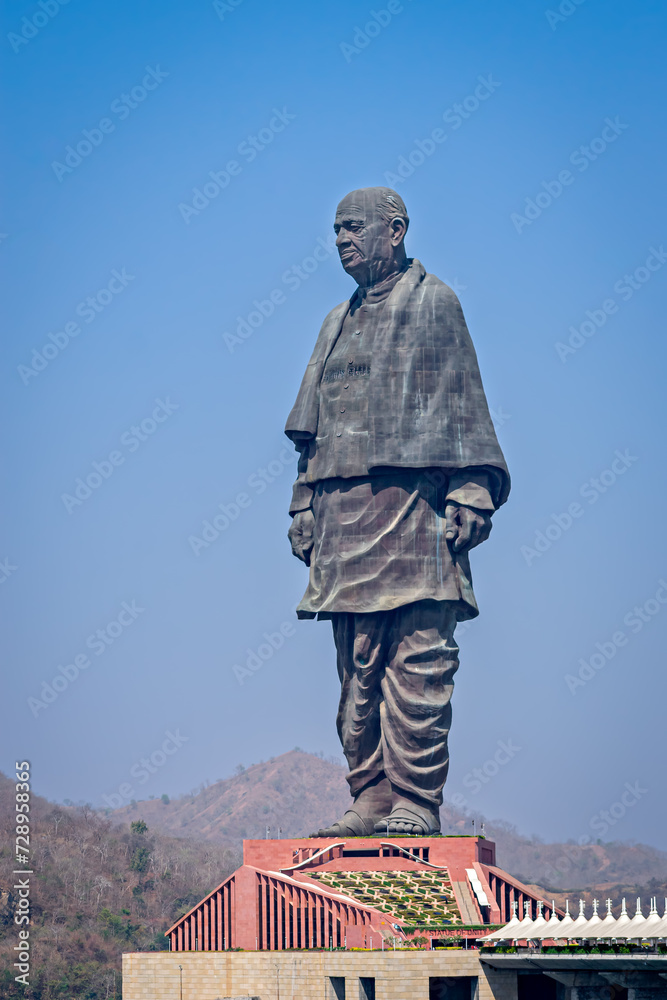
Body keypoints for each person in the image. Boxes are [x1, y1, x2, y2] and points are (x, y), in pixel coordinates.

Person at [285, 187, 509, 836]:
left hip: (413, 510)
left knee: (417, 663)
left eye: (352, 227)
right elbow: (311, 429)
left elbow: (463, 400)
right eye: (334, 230)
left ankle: (414, 802)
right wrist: (303, 504)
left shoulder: (432, 302)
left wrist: (470, 488)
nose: (340, 240)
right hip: (342, 513)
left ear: (396, 231)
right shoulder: (336, 320)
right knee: (356, 674)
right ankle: (369, 797)